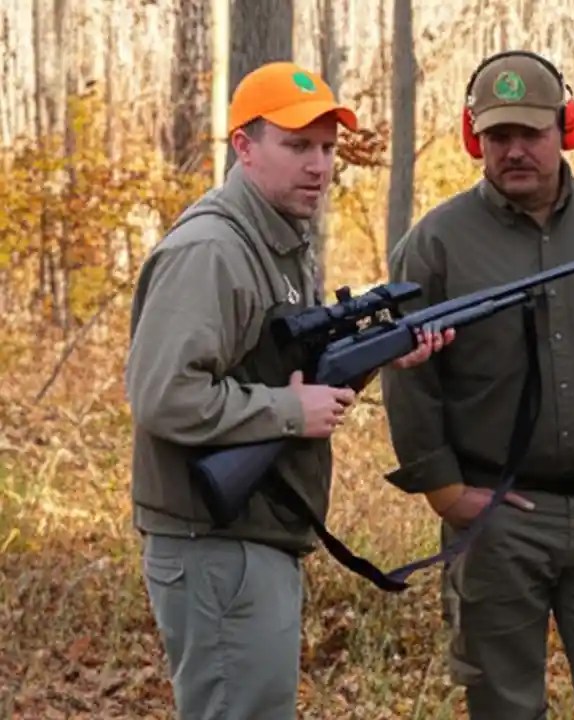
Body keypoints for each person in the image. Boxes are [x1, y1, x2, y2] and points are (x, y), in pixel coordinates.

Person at [379, 49, 574, 720]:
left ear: (567, 128)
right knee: (503, 705)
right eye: (499, 136)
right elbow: (409, 379)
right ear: (475, 139)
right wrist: (442, 487)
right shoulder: (435, 244)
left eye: (532, 132)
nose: (515, 150)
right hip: (496, 517)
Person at [125, 61, 448, 720]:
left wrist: (380, 356)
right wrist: (286, 411)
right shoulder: (214, 250)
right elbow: (163, 395)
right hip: (215, 545)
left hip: (247, 536)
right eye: (297, 145)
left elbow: (276, 368)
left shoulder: (274, 239)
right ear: (244, 146)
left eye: (328, 147)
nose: (320, 165)